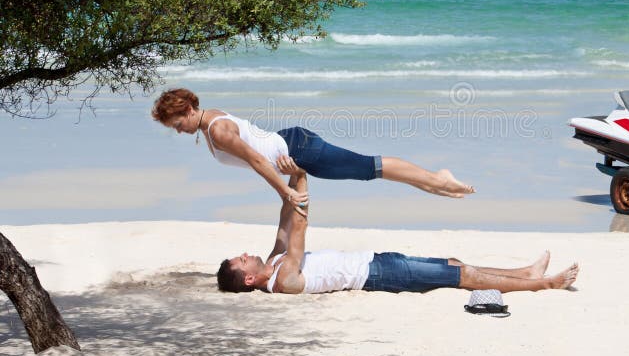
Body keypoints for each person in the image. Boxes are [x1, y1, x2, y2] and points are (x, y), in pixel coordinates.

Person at [216, 169, 579, 295]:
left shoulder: (275, 261)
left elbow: (285, 215)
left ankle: (525, 273)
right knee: (462, 275)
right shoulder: (283, 280)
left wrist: (291, 174)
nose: (246, 253)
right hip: (379, 276)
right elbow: (299, 225)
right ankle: (542, 284)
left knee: (454, 264)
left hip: (377, 262)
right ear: (248, 279)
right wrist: (302, 176)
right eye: (242, 260)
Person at [152, 88, 475, 214]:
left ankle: (437, 178)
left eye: (177, 123)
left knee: (368, 167)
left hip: (299, 150)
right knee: (368, 171)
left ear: (189, 110)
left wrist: (286, 193)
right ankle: (432, 183)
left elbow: (257, 160)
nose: (178, 130)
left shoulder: (217, 130)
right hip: (292, 144)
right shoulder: (209, 119)